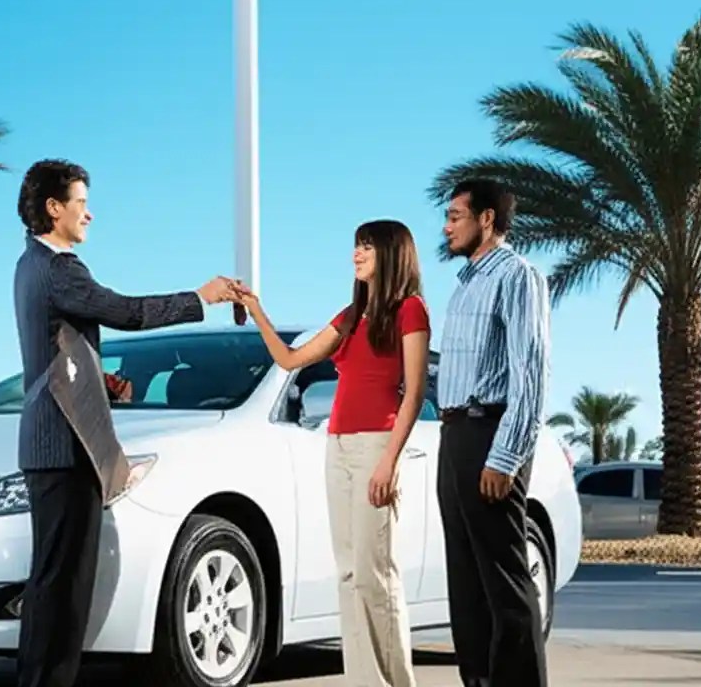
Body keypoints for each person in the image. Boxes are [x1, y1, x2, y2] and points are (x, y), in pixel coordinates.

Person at [12, 158, 239, 687]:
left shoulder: (28, 266)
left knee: (50, 584)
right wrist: (199, 298)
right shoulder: (59, 268)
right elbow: (126, 312)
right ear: (54, 208)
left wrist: (100, 381)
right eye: (81, 204)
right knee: (63, 591)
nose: (89, 215)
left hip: (45, 442)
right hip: (66, 446)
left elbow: (58, 346)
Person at [236, 219, 429, 687]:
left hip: (374, 448)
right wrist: (257, 310)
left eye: (365, 247)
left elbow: (416, 391)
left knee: (374, 575)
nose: (355, 255)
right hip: (337, 448)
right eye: (355, 247)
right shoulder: (350, 315)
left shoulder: (410, 311)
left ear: (390, 252)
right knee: (348, 575)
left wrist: (390, 461)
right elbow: (289, 359)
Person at [436, 178, 550, 687]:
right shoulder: (464, 285)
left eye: (455, 215)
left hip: (491, 434)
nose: (447, 226)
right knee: (465, 579)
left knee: (503, 581)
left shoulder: (517, 276)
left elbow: (530, 371)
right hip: (455, 435)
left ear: (486, 219)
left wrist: (505, 456)